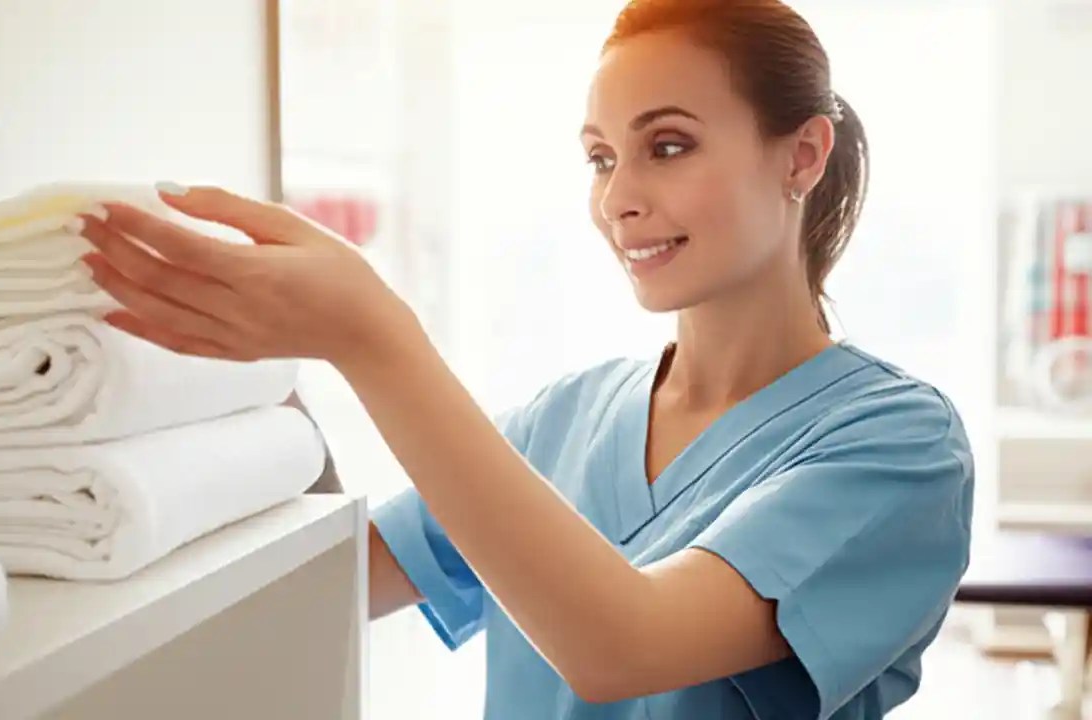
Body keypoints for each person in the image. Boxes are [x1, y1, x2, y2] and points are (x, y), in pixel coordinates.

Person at [73, 0, 974, 716]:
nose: (618, 199)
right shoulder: (564, 419)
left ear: (802, 156)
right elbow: (316, 584)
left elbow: (622, 646)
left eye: (667, 146)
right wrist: (228, 378)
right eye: (600, 159)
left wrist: (371, 337)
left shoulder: (898, 444)